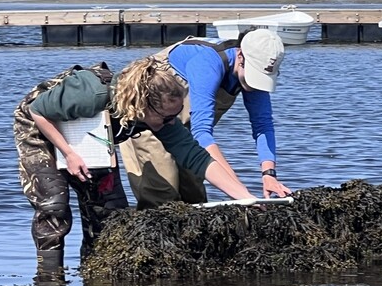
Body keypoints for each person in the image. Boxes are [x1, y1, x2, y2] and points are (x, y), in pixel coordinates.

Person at [14, 56, 262, 277]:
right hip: (41, 126)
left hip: (94, 138)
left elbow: (197, 159)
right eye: (165, 117)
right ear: (142, 104)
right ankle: (49, 281)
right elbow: (38, 111)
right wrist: (69, 153)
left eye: (173, 116)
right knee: (54, 204)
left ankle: (93, 282)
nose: (170, 122)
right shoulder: (93, 94)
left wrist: (246, 198)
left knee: (110, 213)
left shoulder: (159, 117)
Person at [118, 29, 292, 209]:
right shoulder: (207, 63)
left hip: (186, 128)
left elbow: (262, 124)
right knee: (164, 191)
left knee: (194, 191)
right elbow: (202, 132)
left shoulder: (255, 72)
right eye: (253, 75)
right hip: (151, 112)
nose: (256, 84)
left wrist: (269, 174)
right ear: (240, 56)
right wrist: (241, 193)